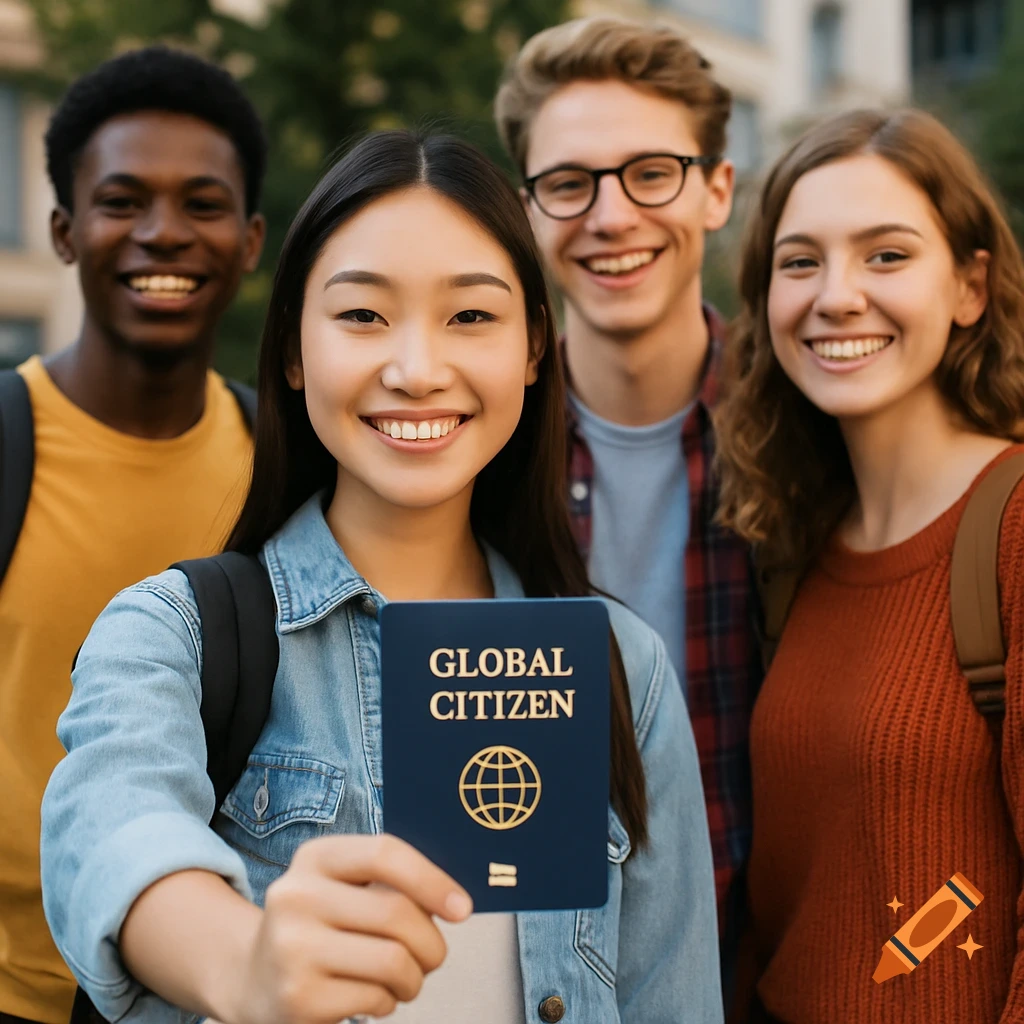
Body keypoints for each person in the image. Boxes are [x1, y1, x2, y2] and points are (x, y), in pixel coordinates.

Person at [38, 130, 723, 1024]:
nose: (415, 369)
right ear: (292, 349)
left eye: (470, 316)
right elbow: (109, 832)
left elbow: (672, 1000)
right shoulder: (175, 631)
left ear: (533, 349)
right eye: (362, 315)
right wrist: (245, 960)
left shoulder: (620, 666)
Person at [714, 108, 1024, 1023]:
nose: (836, 296)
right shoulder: (793, 544)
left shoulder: (1011, 526)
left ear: (969, 286)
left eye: (886, 255)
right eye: (800, 261)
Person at [0, 47, 266, 1024]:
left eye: (201, 204)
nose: (163, 233)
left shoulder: (289, 469)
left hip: (219, 990)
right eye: (123, 201)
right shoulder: (7, 442)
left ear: (248, 239)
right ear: (66, 233)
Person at [494, 14, 761, 985]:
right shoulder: (471, 459)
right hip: (549, 982)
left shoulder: (816, 437)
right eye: (567, 184)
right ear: (527, 211)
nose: (610, 217)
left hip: (773, 977)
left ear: (716, 189)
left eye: (650, 172)